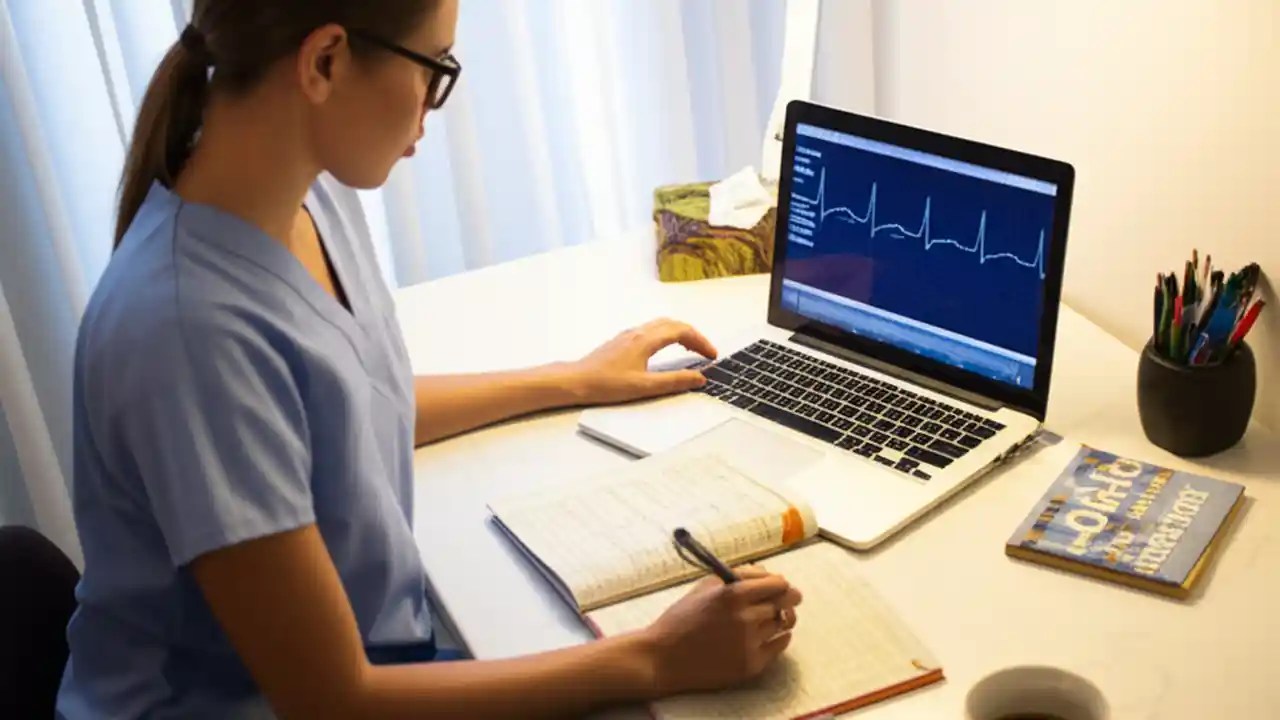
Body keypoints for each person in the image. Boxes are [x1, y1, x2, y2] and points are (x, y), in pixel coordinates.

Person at [56, 2, 802, 718]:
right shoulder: (191, 330)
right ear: (325, 60)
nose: (433, 106)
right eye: (434, 68)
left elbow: (344, 410)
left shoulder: (307, 197)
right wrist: (655, 658)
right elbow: (332, 701)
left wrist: (571, 380)